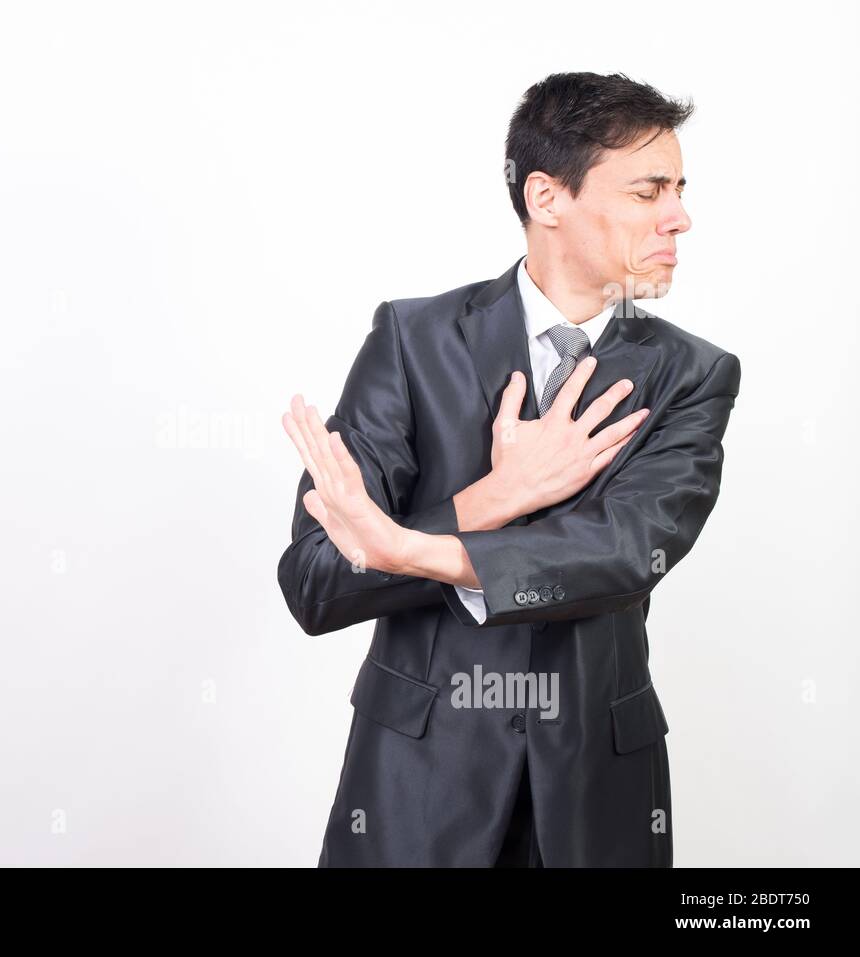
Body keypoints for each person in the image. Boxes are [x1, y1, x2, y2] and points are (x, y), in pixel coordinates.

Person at [277, 72, 741, 867]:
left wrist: (402, 546)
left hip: (597, 793)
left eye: (680, 188)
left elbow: (624, 554)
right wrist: (492, 498)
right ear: (546, 197)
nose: (680, 216)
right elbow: (316, 581)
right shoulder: (411, 340)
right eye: (647, 191)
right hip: (416, 787)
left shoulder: (693, 375)